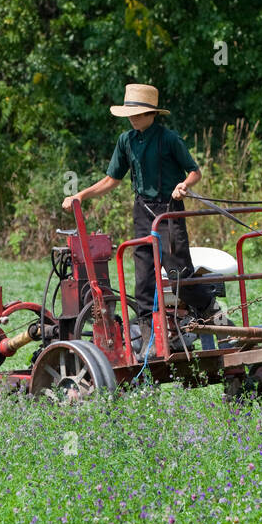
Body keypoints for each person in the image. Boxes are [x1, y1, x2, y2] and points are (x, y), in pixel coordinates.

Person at [61, 83, 223, 347]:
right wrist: (81, 195)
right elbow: (112, 179)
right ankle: (150, 341)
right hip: (143, 212)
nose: (133, 118)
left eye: (138, 114)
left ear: (152, 114)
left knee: (178, 272)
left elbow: (194, 171)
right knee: (144, 278)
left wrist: (184, 185)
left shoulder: (169, 138)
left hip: (169, 209)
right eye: (130, 114)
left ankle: (208, 307)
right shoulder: (125, 141)